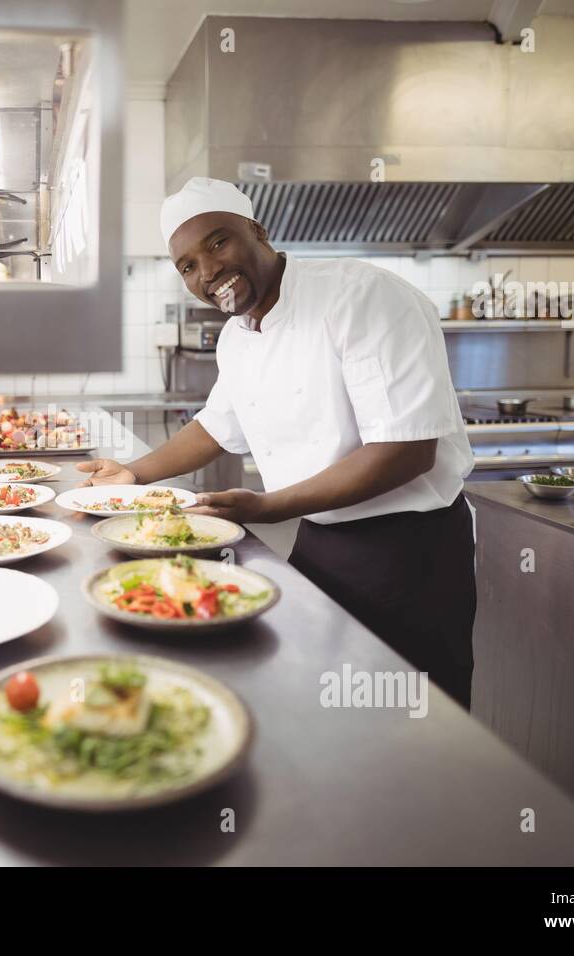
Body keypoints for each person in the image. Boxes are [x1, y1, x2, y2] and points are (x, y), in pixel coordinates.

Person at [77, 177, 478, 708]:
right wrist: (134, 473)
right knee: (321, 711)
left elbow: (405, 450)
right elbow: (218, 424)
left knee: (414, 725)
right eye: (188, 266)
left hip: (408, 555)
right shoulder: (238, 335)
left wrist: (267, 507)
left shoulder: (363, 297)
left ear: (257, 231)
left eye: (217, 243)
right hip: (320, 544)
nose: (208, 271)